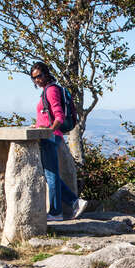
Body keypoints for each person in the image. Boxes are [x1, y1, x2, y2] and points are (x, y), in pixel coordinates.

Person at [31, 62, 87, 221]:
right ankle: (73, 202)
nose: (38, 80)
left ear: (47, 73)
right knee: (50, 174)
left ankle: (57, 212)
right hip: (48, 135)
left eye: (40, 75)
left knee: (51, 175)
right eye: (34, 78)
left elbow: (59, 116)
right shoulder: (47, 90)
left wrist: (48, 131)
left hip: (50, 137)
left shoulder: (51, 90)